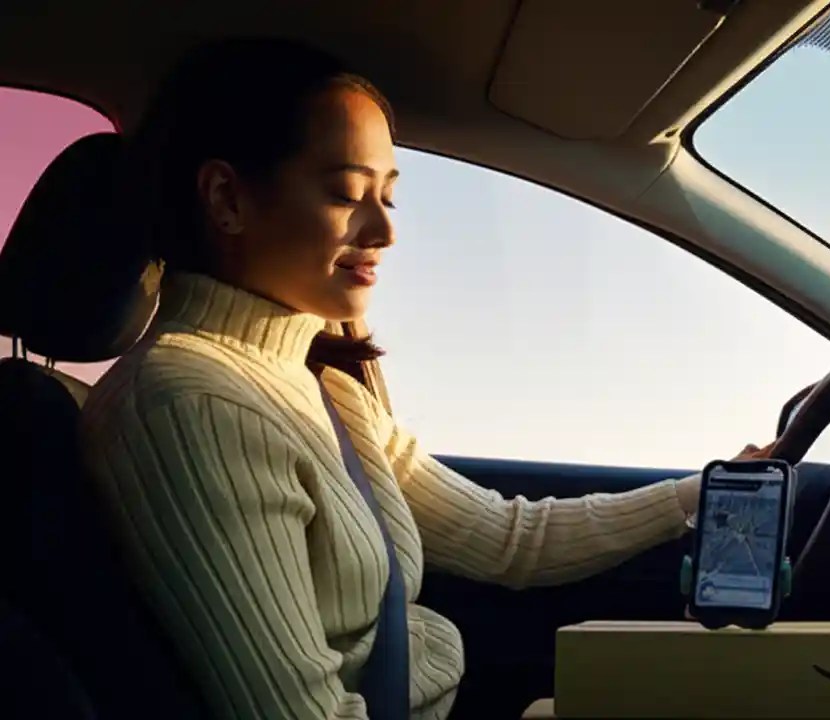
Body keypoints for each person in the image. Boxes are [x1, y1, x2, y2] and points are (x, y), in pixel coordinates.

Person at [78, 38, 773, 720]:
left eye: (389, 196)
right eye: (348, 194)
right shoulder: (191, 405)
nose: (384, 231)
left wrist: (703, 494)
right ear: (227, 199)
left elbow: (510, 539)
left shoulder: (318, 384)